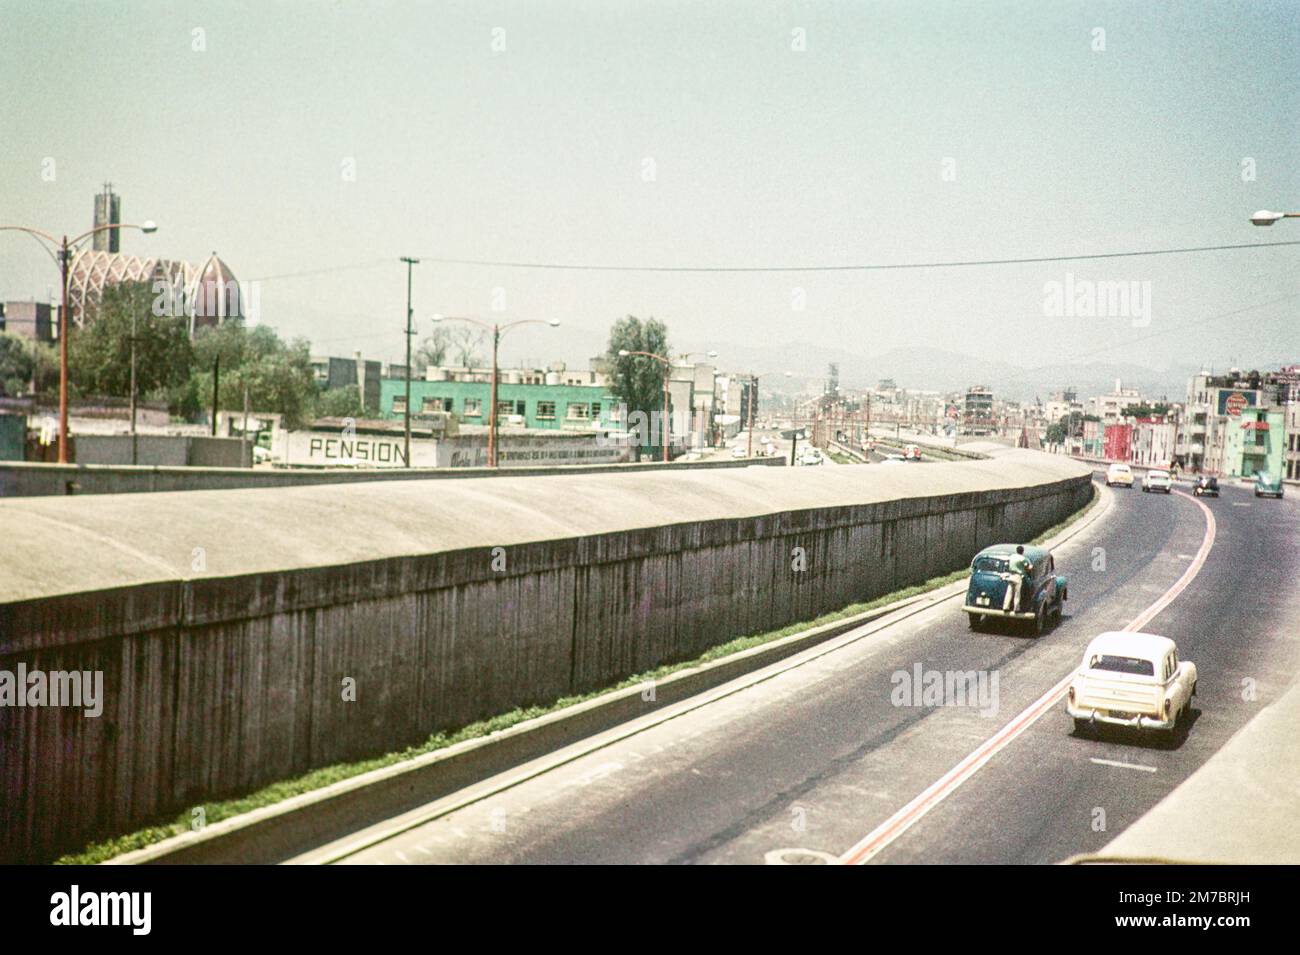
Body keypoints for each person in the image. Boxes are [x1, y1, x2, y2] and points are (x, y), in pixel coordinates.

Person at [1005, 545, 1033, 612]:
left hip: (1011, 575)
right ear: (1022, 551)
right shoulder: (1022, 559)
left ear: (1016, 550)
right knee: (1017, 593)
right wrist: (1031, 567)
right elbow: (1027, 568)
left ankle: (1006, 606)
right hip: (1018, 576)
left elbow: (1007, 564)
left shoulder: (1012, 556)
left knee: (1009, 592)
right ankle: (1016, 608)